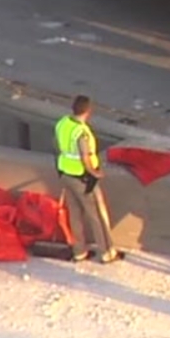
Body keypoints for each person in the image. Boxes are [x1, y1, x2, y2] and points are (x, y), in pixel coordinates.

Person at [53, 95, 118, 263]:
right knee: (96, 214)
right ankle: (107, 252)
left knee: (75, 214)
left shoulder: (63, 123)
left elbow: (58, 145)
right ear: (88, 111)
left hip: (66, 173)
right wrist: (94, 172)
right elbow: (85, 157)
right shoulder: (81, 133)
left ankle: (79, 251)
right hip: (83, 178)